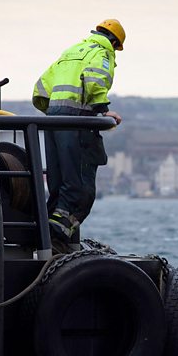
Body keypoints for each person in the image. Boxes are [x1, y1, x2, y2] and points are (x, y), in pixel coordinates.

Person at [32, 19, 124, 251]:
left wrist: (54, 112)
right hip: (77, 121)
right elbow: (95, 80)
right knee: (80, 186)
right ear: (114, 42)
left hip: (54, 118)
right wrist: (103, 110)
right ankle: (57, 235)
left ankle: (45, 230)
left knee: (59, 180)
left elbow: (41, 88)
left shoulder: (72, 51)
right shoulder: (103, 52)